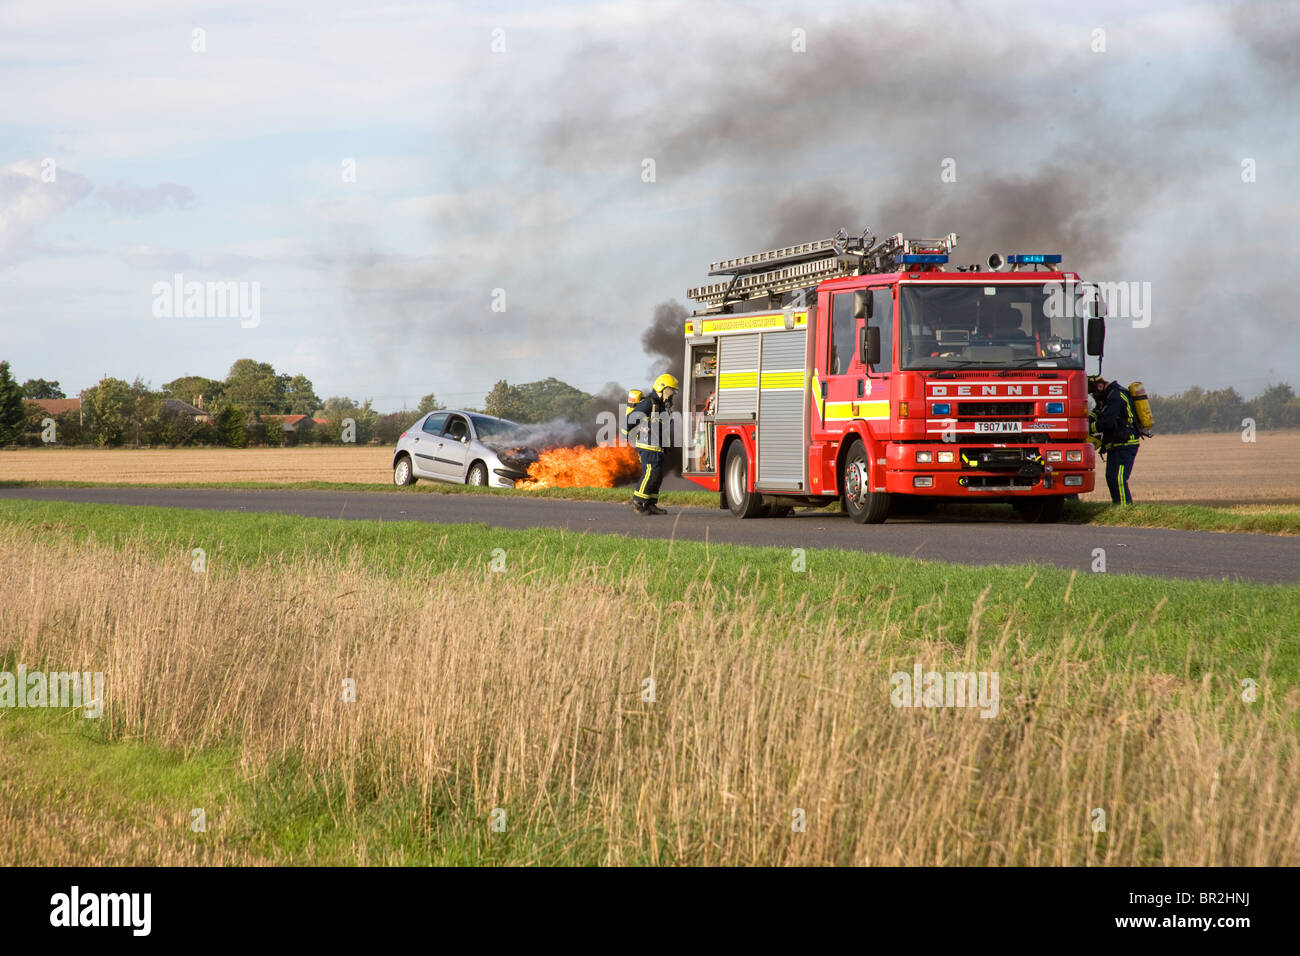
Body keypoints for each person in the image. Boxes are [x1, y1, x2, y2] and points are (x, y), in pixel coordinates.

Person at [629, 374, 678, 515]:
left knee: (657, 475)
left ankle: (650, 504)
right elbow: (631, 418)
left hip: (658, 446)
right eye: (670, 391)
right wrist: (628, 435)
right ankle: (637, 502)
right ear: (661, 388)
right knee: (650, 473)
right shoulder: (649, 403)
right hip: (647, 445)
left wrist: (666, 445)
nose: (672, 394)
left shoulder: (662, 406)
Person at [1088, 375, 1140, 504]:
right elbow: (1095, 414)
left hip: (1125, 444)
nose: (1093, 396)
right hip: (1115, 444)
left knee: (1118, 479)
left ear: (1100, 386)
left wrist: (1087, 429)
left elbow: (1106, 423)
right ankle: (1118, 506)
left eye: (1093, 392)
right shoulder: (1107, 398)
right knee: (1111, 477)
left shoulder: (1116, 396)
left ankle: (1124, 510)